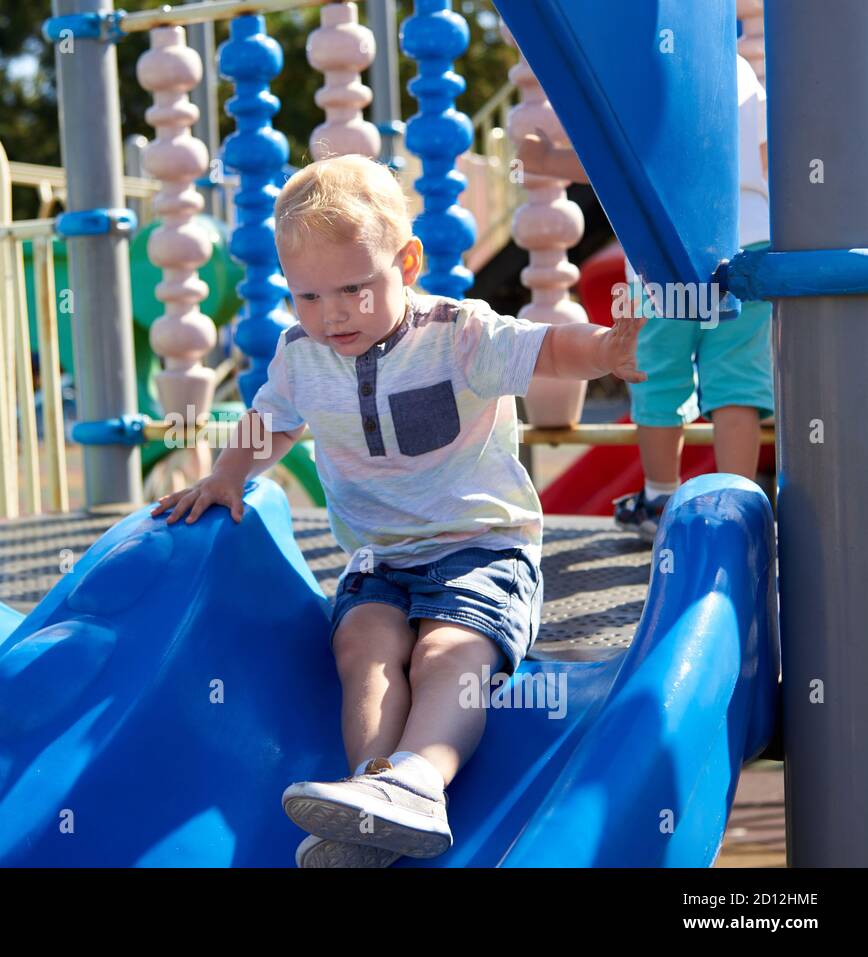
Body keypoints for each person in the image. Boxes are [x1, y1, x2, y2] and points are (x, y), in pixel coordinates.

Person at [149, 154, 646, 867]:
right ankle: (369, 798)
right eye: (310, 296)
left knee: (451, 651)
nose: (333, 313)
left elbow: (546, 349)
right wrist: (227, 473)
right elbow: (271, 422)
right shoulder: (301, 356)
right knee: (362, 649)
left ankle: (418, 777)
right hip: (377, 558)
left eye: (354, 287)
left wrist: (606, 348)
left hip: (481, 547)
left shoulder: (457, 334)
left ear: (407, 262)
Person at [518, 55, 773, 540]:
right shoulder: (735, 64)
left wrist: (546, 160)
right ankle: (739, 508)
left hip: (668, 241)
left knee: (658, 370)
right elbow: (765, 154)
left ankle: (658, 499)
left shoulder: (641, 63)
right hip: (748, 237)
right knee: (738, 378)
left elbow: (617, 160)